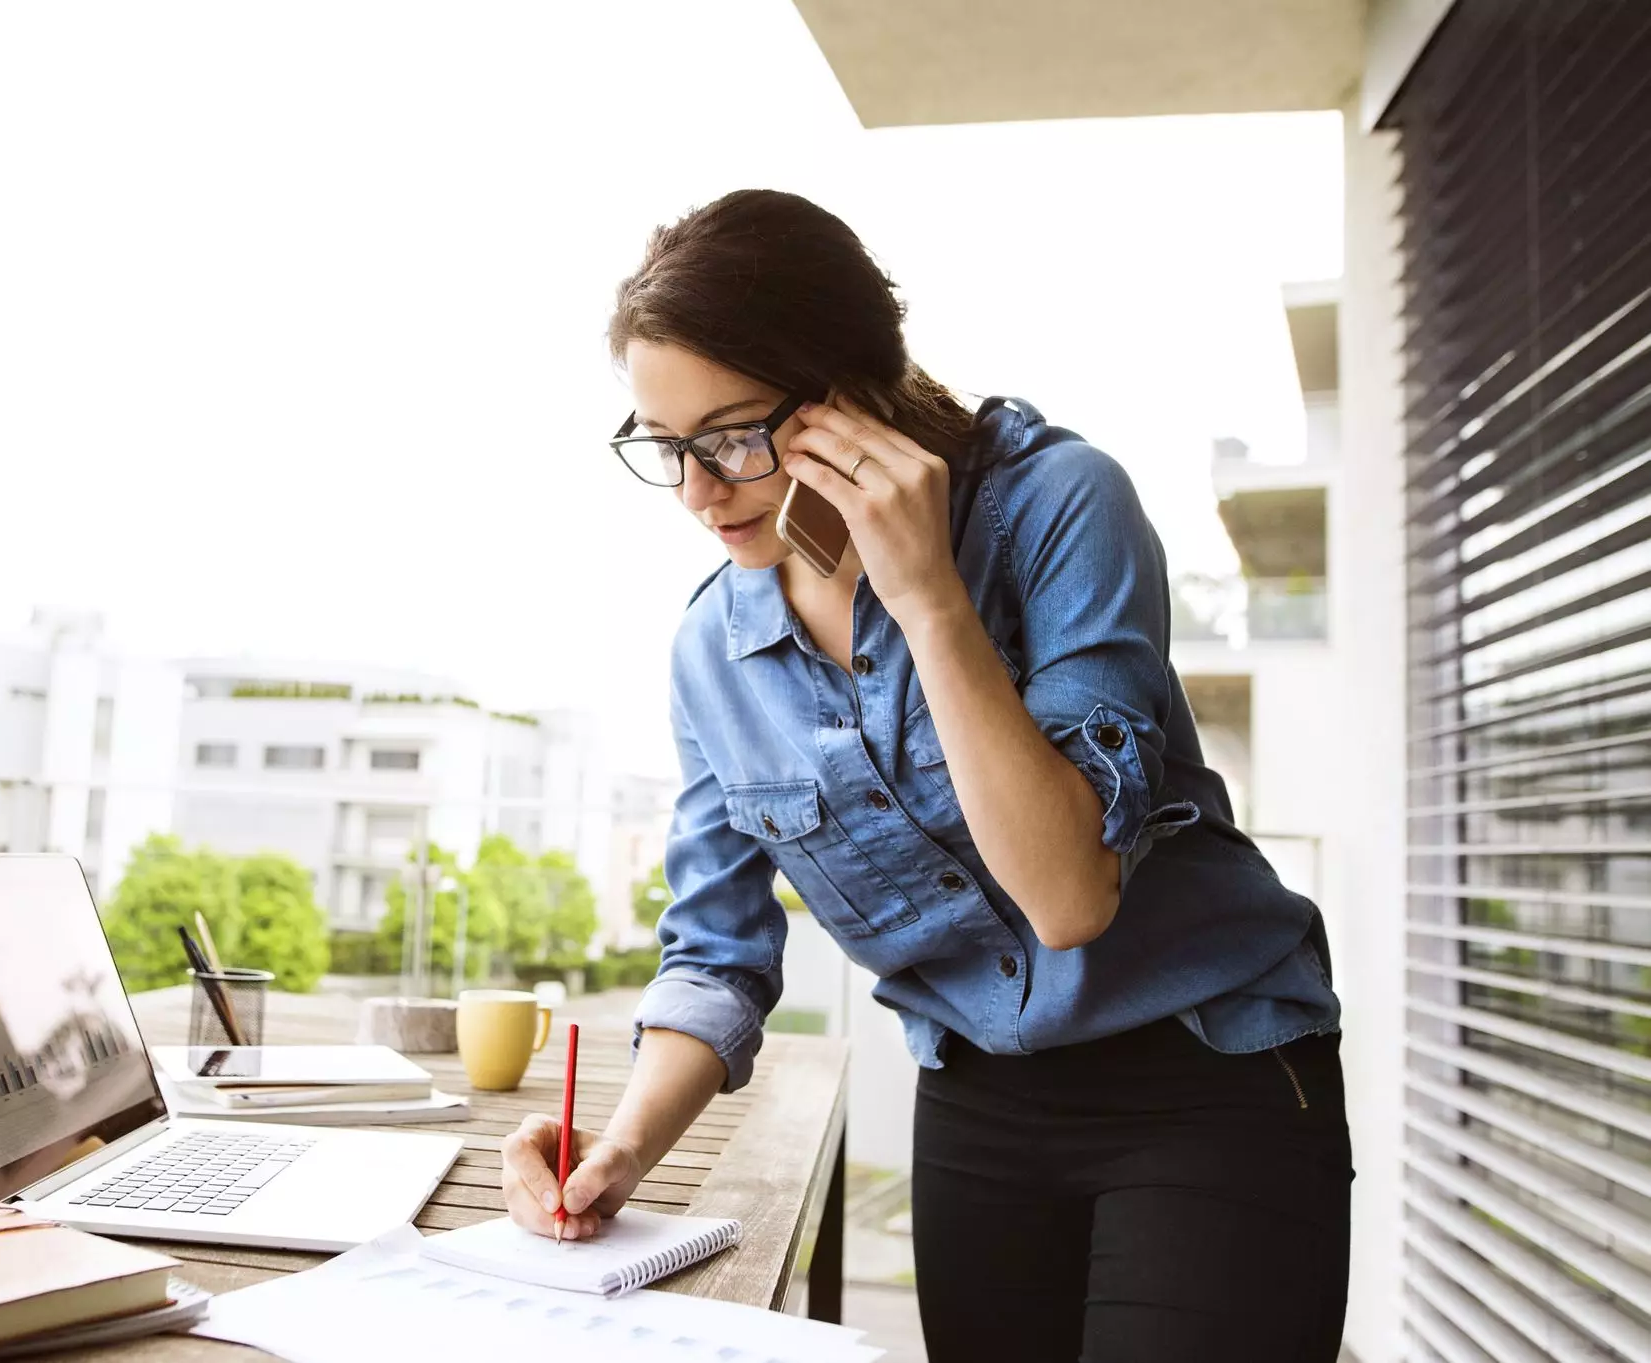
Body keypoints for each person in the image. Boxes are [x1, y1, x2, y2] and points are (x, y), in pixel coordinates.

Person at [497, 189, 1352, 1363]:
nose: (697, 492)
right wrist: (621, 1153)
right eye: (664, 446)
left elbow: (1067, 896)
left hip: (1203, 1074)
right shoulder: (713, 648)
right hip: (978, 1100)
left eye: (732, 436)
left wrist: (926, 601)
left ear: (849, 392)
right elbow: (714, 950)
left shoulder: (1057, 507)